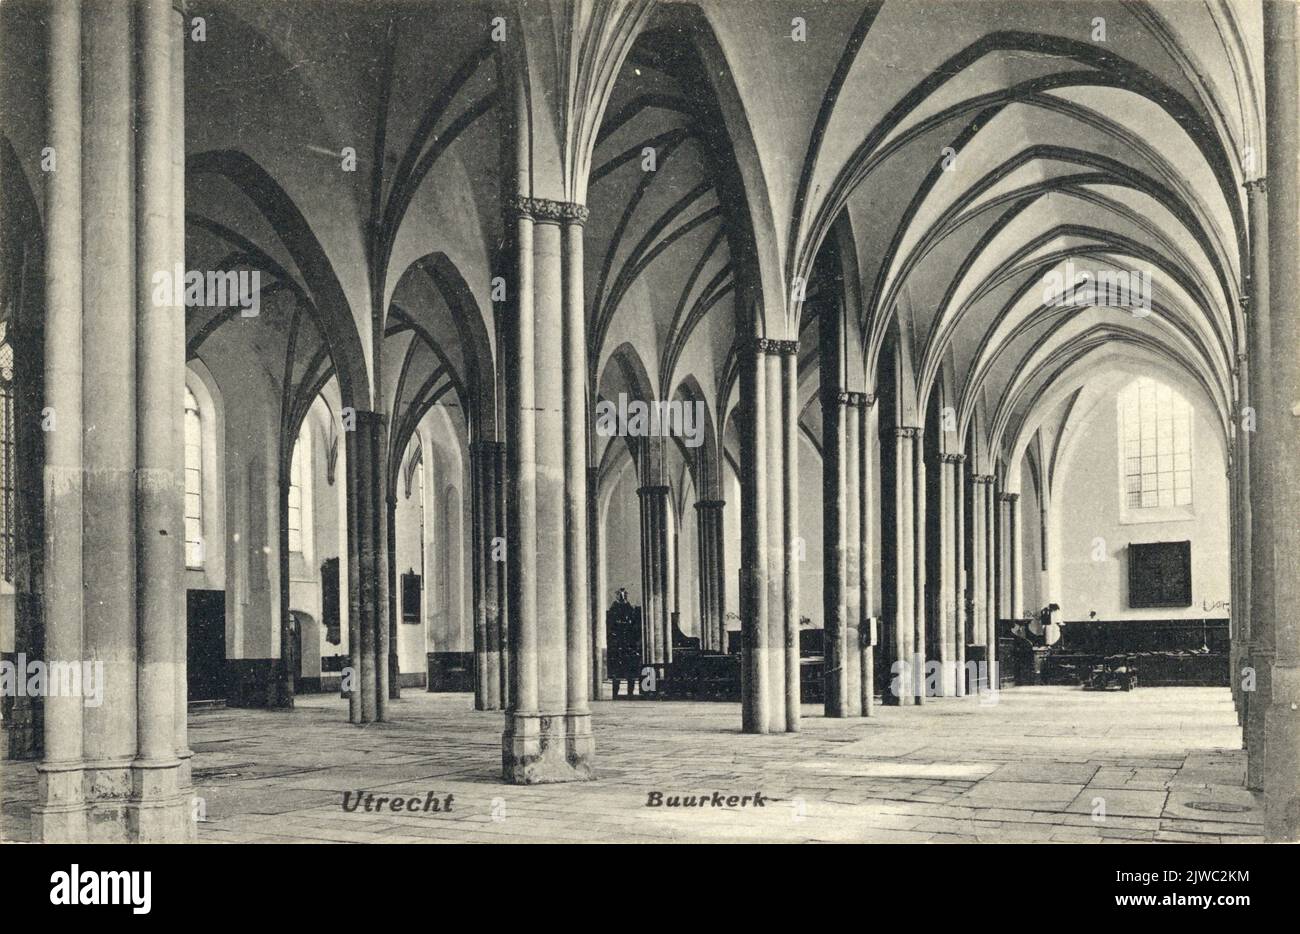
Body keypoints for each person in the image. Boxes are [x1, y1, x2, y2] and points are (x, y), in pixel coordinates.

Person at [607, 588, 642, 699]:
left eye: (624, 594)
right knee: (616, 673)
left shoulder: (629, 609)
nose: (622, 597)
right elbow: (610, 627)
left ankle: (630, 693)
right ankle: (615, 694)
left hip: (629, 646)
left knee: (630, 672)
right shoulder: (613, 609)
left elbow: (635, 627)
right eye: (620, 595)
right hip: (617, 646)